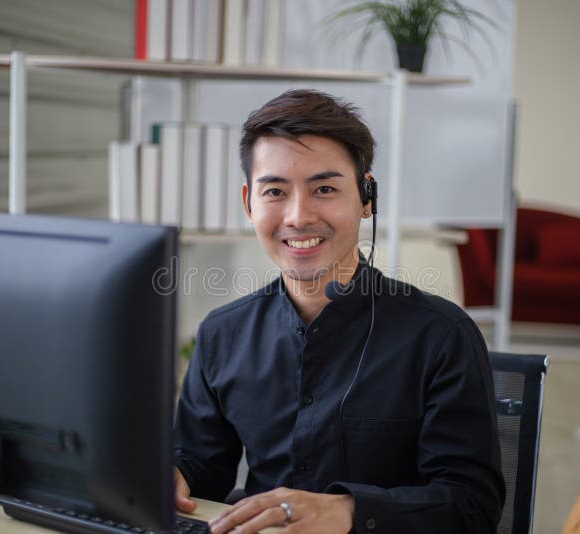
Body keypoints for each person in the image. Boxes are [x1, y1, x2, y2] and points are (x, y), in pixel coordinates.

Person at [174, 89, 504, 534]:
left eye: (324, 189)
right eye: (275, 191)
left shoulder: (442, 336)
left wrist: (347, 510)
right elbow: (202, 467)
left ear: (366, 198)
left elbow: (473, 506)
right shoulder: (222, 334)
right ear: (249, 203)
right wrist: (176, 476)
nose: (297, 216)